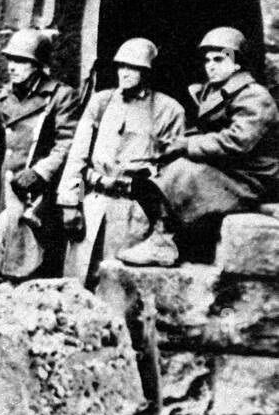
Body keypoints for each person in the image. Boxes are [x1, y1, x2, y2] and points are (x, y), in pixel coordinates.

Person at [118, 27, 279, 267]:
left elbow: (237, 141)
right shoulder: (212, 91)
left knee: (186, 172)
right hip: (229, 169)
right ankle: (163, 235)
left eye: (219, 59)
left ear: (236, 64)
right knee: (165, 169)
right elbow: (201, 130)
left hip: (252, 177)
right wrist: (173, 145)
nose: (210, 66)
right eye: (207, 60)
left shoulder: (255, 97)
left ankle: (165, 242)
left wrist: (188, 145)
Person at [56, 38, 186, 281]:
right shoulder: (101, 101)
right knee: (78, 280)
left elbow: (172, 175)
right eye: (121, 66)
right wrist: (69, 202)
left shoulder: (169, 110)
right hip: (93, 204)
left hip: (134, 211)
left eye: (133, 68)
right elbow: (78, 154)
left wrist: (160, 225)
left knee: (118, 287)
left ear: (147, 72)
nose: (125, 73)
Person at [0, 28, 80, 280]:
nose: (13, 67)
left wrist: (40, 172)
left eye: (22, 61)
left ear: (38, 66)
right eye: (11, 60)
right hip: (9, 185)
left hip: (41, 190)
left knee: (39, 258)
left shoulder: (60, 96)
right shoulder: (1, 99)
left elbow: (67, 143)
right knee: (6, 247)